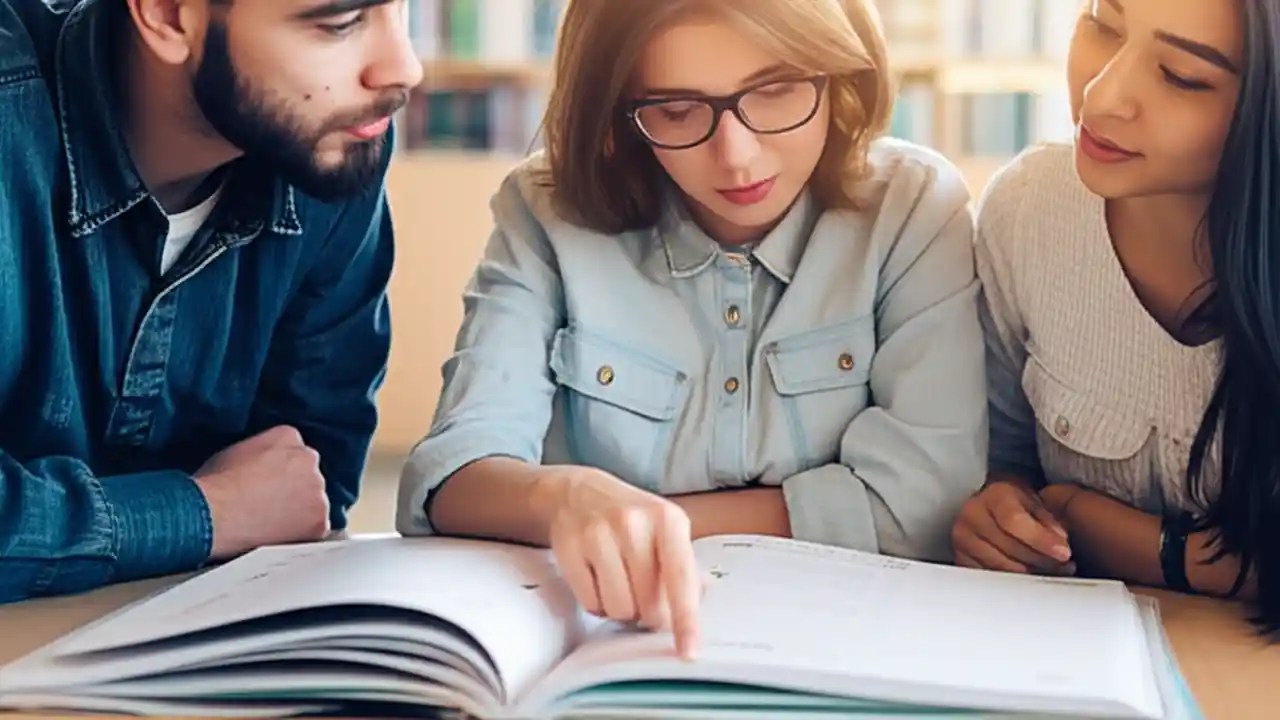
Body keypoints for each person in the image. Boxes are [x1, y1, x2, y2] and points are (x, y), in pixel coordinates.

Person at [398, 0, 987, 658]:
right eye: (676, 111)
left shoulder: (913, 207)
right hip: (615, 648)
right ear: (618, 113)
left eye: (776, 91)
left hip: (851, 643)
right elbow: (451, 476)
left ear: (841, 73)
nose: (736, 157)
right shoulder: (545, 210)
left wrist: (643, 528)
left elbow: (924, 506)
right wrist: (568, 498)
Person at [0, 0, 423, 604]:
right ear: (170, 14)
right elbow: (258, 507)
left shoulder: (331, 142)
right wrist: (207, 511)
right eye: (339, 23)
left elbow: (300, 490)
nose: (404, 69)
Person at [953, 0, 1280, 627]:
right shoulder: (1029, 210)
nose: (1101, 97)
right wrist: (1002, 509)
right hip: (1067, 652)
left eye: (1182, 76)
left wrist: (1131, 539)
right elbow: (1004, 457)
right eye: (1103, 23)